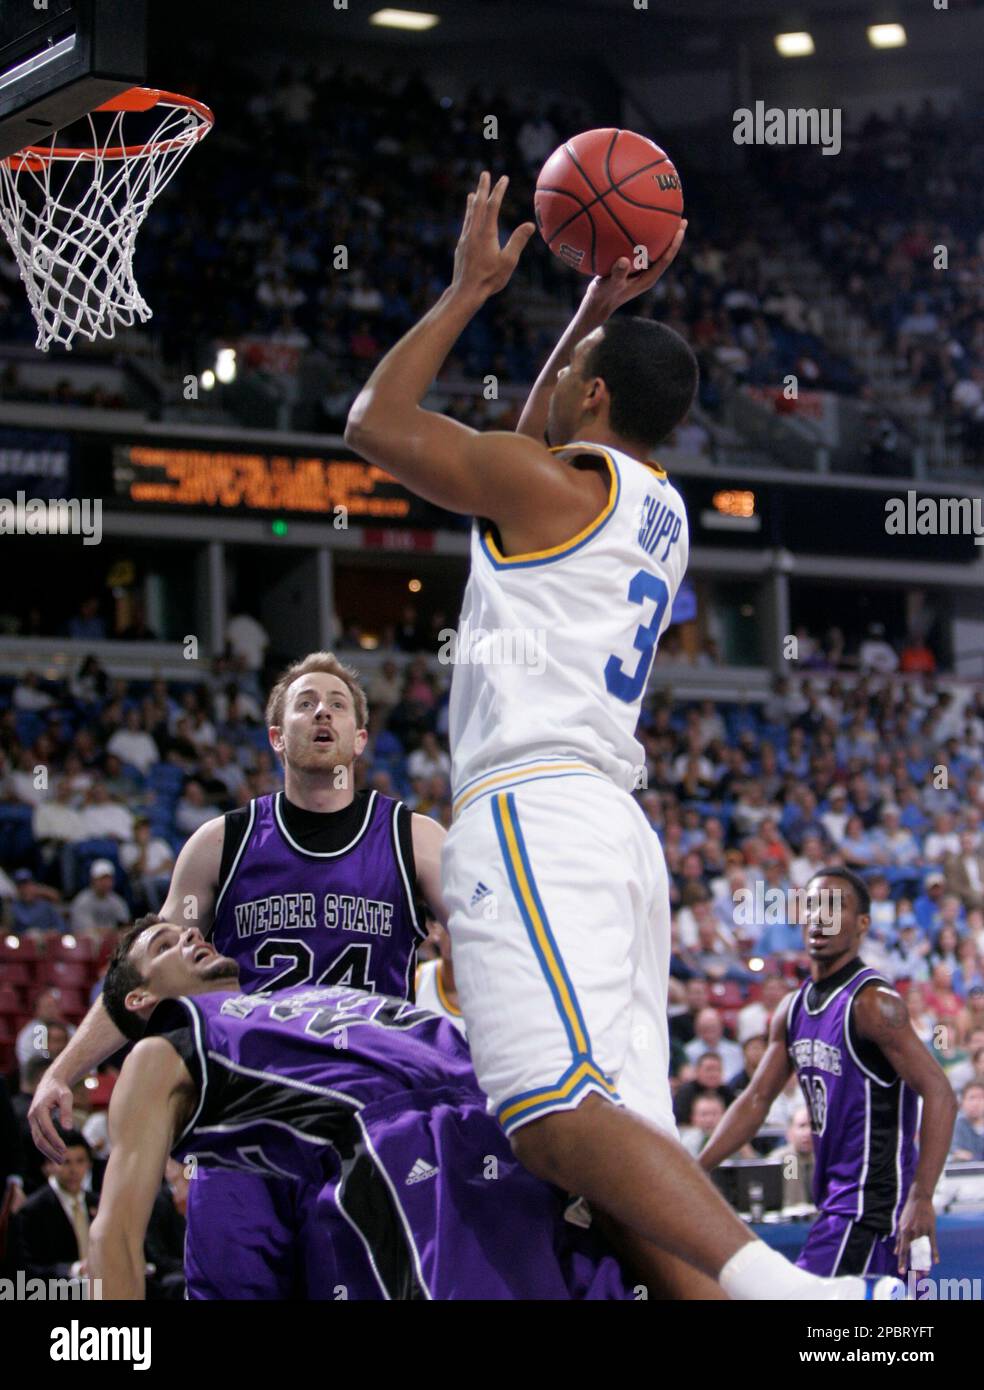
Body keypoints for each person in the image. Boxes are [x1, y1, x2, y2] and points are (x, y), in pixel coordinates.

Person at [343, 171, 889, 1300]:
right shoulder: (657, 504)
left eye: (572, 373)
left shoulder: (544, 488)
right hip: (608, 830)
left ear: (591, 396)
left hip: (534, 814)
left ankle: (789, 1291)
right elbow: (540, 434)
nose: (553, 386)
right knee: (625, 1163)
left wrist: (467, 291)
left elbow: (373, 424)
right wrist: (593, 309)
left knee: (545, 1110)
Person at [30, 652, 446, 1301]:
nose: (322, 713)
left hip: (363, 1128)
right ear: (276, 736)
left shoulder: (412, 838)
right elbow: (144, 975)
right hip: (240, 1129)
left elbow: (492, 947)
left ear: (361, 738)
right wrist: (63, 1068)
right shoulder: (220, 843)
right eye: (305, 704)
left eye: (337, 704)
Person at [89, 917, 631, 1301]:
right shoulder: (175, 1052)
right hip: (418, 1154)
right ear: (141, 999)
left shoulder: (292, 1000)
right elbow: (121, 1235)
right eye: (163, 945)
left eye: (184, 931)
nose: (188, 934)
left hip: (515, 1118)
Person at [699, 867, 957, 1277]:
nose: (821, 917)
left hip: (870, 1209)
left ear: (862, 924)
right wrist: (697, 1168)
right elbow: (756, 1099)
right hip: (836, 1205)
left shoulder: (873, 1004)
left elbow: (940, 1093)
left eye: (835, 908)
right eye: (814, 907)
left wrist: (922, 1196)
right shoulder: (791, 1009)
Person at [10, 1130, 97, 1283]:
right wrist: (72, 1270)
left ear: (89, 1164)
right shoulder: (32, 1210)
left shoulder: (98, 1203)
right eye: (66, 1162)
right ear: (50, 1164)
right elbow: (24, 1268)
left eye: (80, 1161)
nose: (74, 1170)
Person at [950, 1081, 984, 1161]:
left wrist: (972, 1157)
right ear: (962, 1102)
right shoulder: (955, 1126)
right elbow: (956, 1152)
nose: (976, 1103)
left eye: (981, 1098)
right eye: (972, 1098)